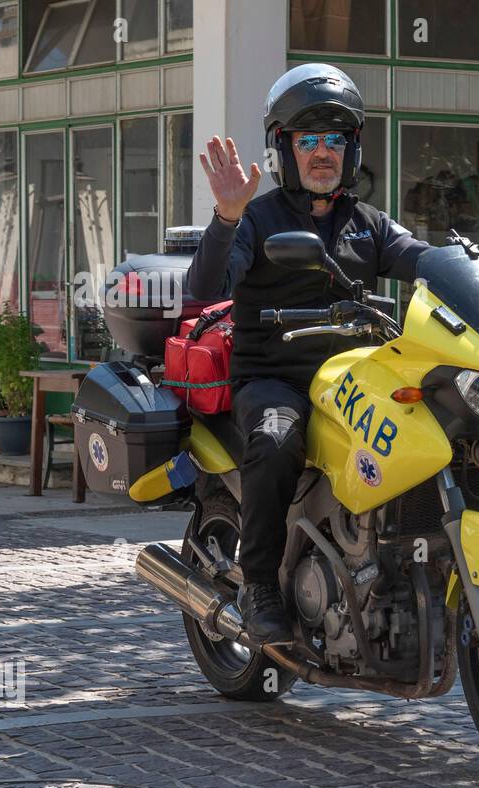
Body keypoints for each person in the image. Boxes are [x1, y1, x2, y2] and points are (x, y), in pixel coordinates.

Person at [187, 63, 431, 643]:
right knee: (274, 438)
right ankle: (262, 581)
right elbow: (207, 286)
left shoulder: (368, 225)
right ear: (284, 149)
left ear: (351, 149)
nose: (323, 152)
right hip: (278, 382)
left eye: (335, 139)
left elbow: (423, 259)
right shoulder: (256, 219)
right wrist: (226, 217)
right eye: (309, 139)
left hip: (354, 382)